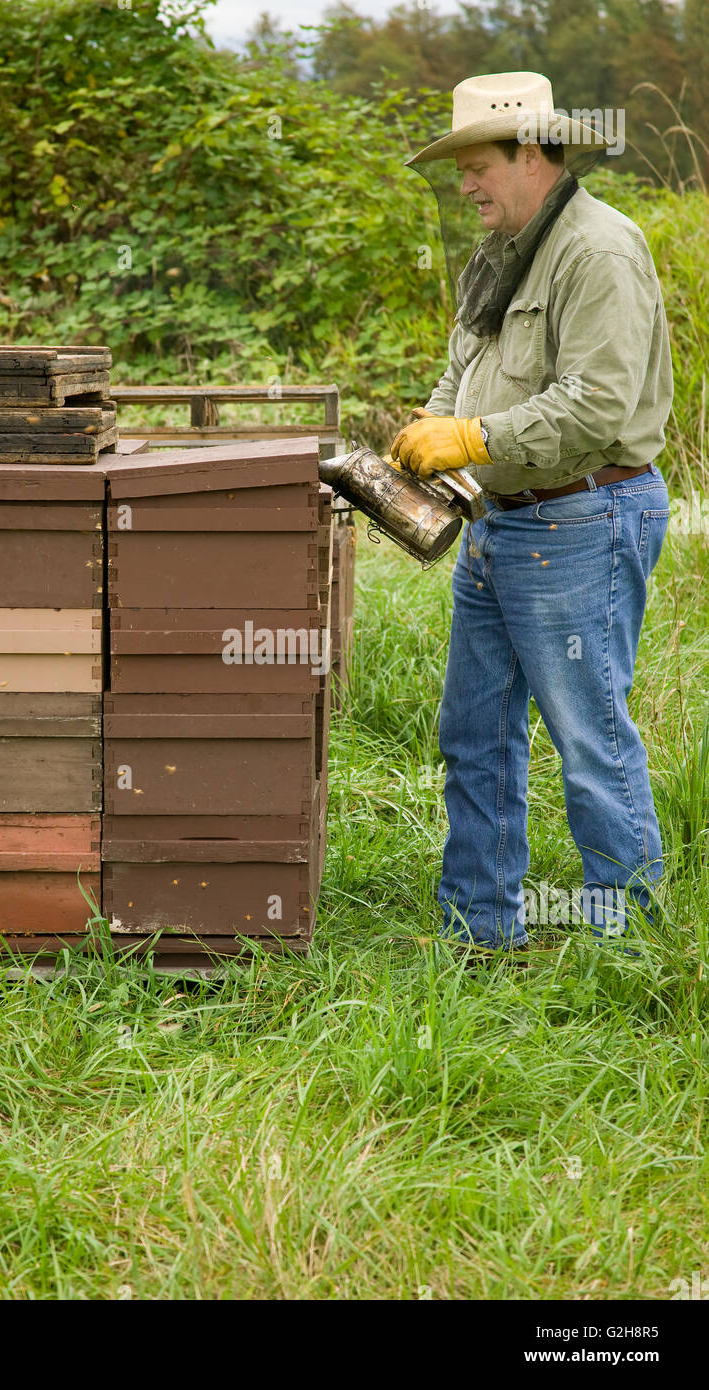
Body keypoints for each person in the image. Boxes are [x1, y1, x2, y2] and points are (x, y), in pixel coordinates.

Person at [390, 72, 674, 952]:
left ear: (534, 154)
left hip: (585, 517)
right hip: (499, 521)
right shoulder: (501, 251)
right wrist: (435, 429)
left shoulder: (601, 253)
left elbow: (595, 405)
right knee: (474, 734)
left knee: (589, 739)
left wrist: (468, 438)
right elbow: (462, 371)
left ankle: (631, 945)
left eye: (477, 167)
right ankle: (480, 929)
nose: (466, 186)